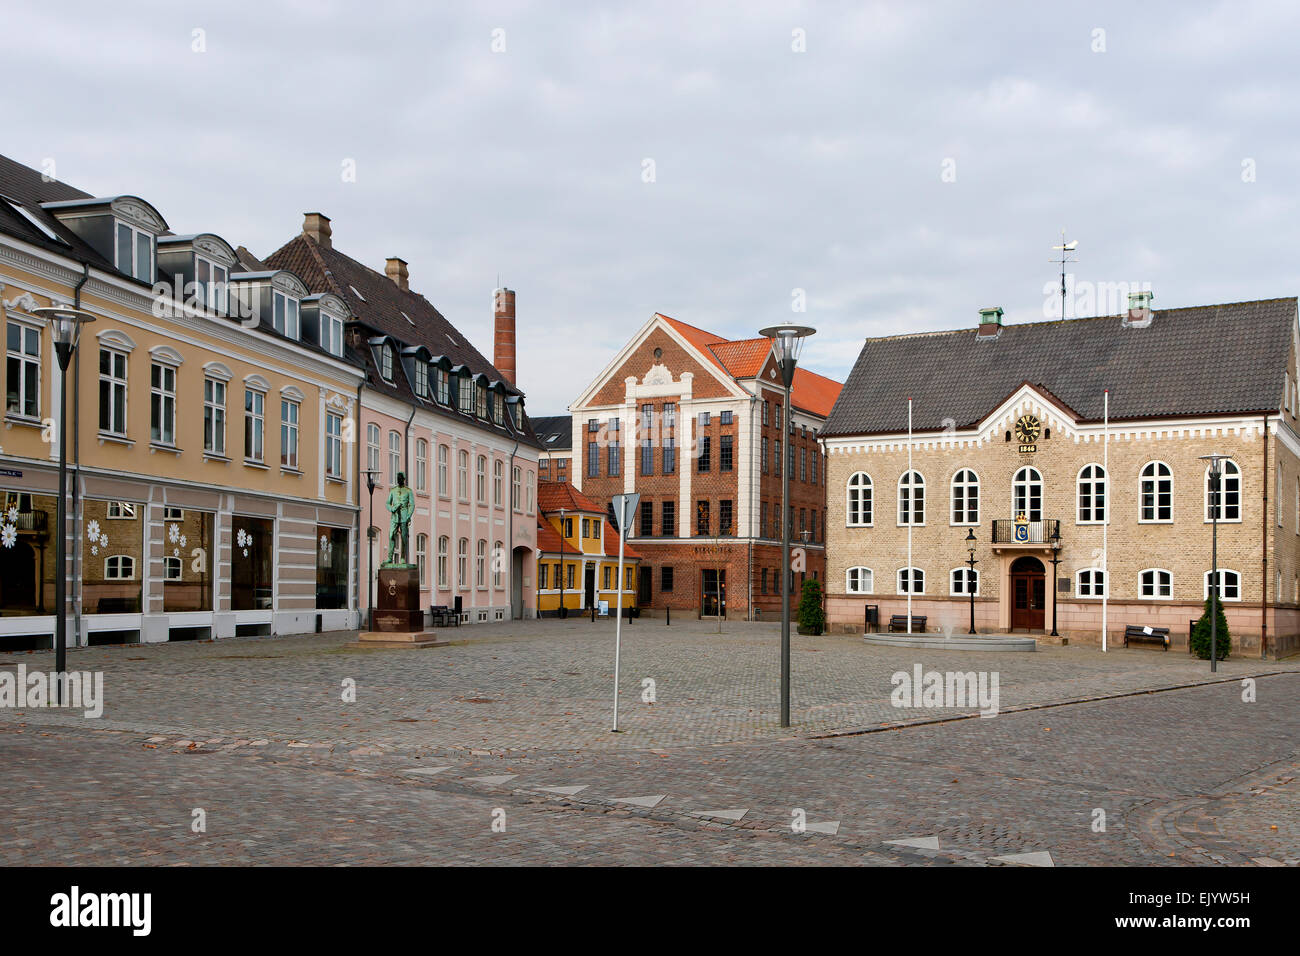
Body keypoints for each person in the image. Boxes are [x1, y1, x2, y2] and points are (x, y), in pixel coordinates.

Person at [385, 471, 414, 566]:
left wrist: (409, 516)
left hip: (404, 516)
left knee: (404, 537)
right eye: (398, 479)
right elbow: (387, 503)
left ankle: (402, 558)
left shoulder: (408, 491)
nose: (399, 480)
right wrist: (392, 508)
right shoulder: (393, 491)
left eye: (401, 479)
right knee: (391, 535)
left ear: (404, 479)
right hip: (394, 516)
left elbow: (412, 504)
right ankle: (389, 557)